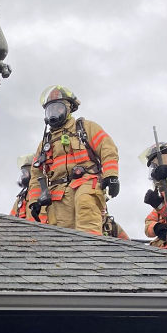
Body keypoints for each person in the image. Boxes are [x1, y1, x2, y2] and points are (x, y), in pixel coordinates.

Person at [25, 86, 118, 236]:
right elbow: (36, 175)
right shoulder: (45, 142)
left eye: (58, 108)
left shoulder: (86, 128)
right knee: (63, 237)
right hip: (58, 194)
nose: (54, 113)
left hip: (86, 182)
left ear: (69, 109)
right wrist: (34, 201)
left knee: (86, 210)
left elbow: (108, 149)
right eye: (50, 110)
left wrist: (111, 175)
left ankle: (92, 253)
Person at [142, 140, 167, 249]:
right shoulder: (165, 196)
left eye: (155, 165)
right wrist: (157, 227)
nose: (154, 171)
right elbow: (148, 222)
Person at [10, 155, 35, 219]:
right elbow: (10, 219)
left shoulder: (44, 196)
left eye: (25, 173)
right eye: (22, 173)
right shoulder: (21, 198)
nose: (22, 177)